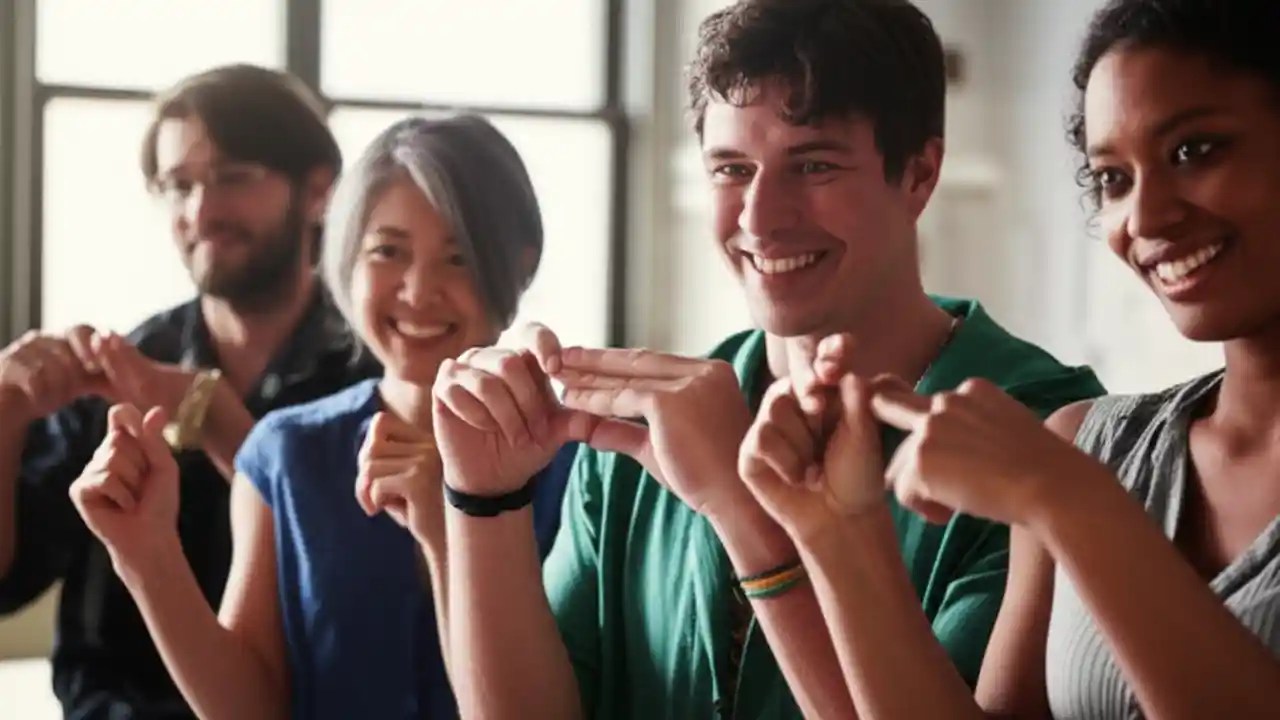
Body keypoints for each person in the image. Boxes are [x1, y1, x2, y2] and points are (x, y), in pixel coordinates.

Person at [429, 1, 1106, 718]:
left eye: (812, 164)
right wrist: (484, 500)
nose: (759, 216)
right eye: (731, 169)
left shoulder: (1043, 434)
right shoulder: (631, 437)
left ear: (918, 174)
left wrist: (740, 508)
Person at [737, 0, 1280, 718]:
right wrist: (838, 532)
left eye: (1193, 151)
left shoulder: (1067, 477)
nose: (1145, 220)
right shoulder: (1091, 443)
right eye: (1113, 178)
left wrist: (1073, 504)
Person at [68, 115, 576, 720]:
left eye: (459, 257)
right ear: (346, 259)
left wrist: (452, 534)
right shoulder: (285, 452)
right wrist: (147, 554)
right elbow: (252, 709)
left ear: (520, 263)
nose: (418, 291)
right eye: (388, 251)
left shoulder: (586, 459)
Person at [0, 64, 380, 719]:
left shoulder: (373, 374)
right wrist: (5, 413)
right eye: (178, 186)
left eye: (233, 177)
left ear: (318, 190)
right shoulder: (121, 366)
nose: (201, 212)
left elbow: (368, 582)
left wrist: (214, 417)